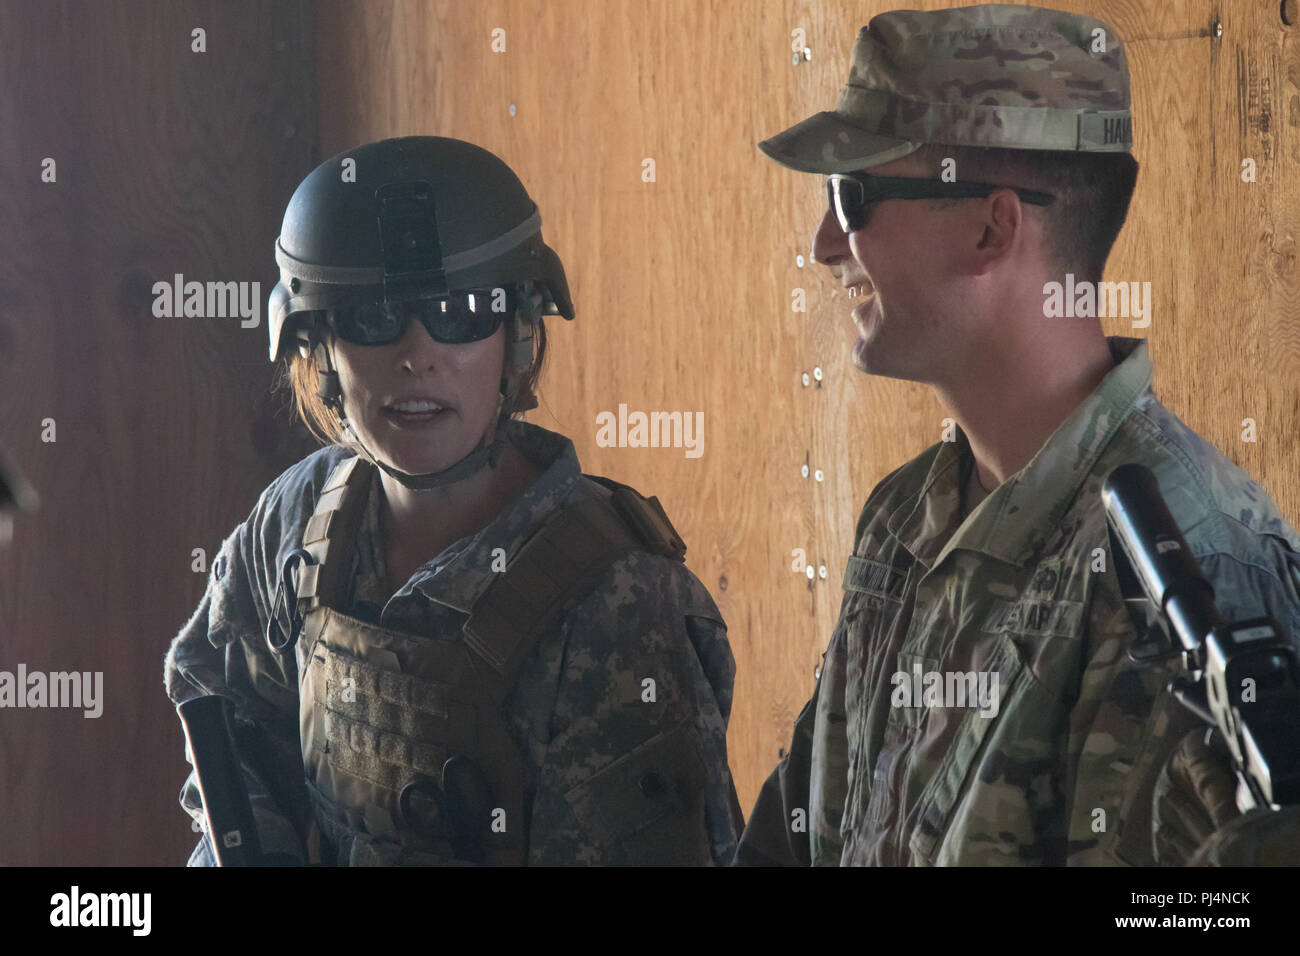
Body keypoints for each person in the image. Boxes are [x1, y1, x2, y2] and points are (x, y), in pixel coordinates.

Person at [734, 4, 1300, 866]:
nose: (822, 245)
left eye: (853, 196)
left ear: (992, 227)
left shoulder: (1191, 577)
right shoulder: (904, 523)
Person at [164, 135, 740, 866]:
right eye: (374, 318)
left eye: (462, 312)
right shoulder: (297, 521)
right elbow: (229, 748)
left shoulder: (617, 598)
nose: (418, 354)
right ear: (322, 349)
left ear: (515, 336)